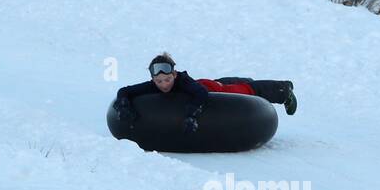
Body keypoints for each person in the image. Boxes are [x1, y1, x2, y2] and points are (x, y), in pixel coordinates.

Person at [113, 53, 297, 133]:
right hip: (203, 84)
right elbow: (125, 91)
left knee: (242, 90)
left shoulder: (182, 81)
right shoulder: (154, 85)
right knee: (228, 83)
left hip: (208, 89)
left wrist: (191, 114)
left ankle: (282, 89)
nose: (164, 85)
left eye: (167, 80)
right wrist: (123, 105)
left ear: (174, 74)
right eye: (159, 81)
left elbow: (200, 94)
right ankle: (242, 79)